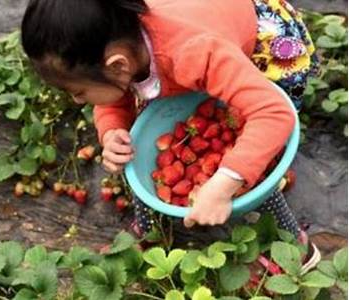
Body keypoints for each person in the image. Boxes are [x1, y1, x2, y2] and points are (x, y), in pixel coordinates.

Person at [21, 0, 320, 272]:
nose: (76, 101)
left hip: (258, 42)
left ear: (118, 65)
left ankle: (295, 248)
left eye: (78, 92)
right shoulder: (123, 48)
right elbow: (113, 96)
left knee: (259, 153)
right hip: (196, 41)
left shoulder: (195, 52)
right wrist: (112, 130)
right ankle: (154, 228)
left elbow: (273, 112)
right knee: (140, 154)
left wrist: (225, 182)